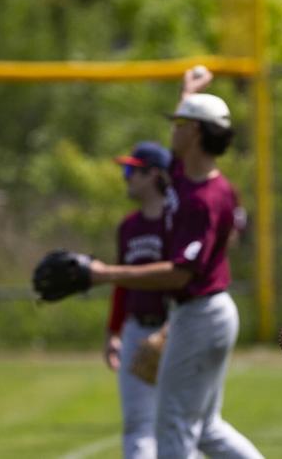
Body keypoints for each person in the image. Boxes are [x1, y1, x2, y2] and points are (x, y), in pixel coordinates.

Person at [89, 66, 262, 459]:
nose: (173, 129)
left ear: (196, 132)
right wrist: (188, 93)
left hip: (201, 313)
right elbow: (177, 154)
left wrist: (103, 274)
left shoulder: (205, 198)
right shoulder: (185, 176)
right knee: (204, 428)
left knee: (173, 426)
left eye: (179, 124)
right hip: (197, 312)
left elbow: (180, 272)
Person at [102, 141, 174, 459]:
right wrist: (113, 333)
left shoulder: (175, 222)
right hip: (135, 330)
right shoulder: (128, 227)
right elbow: (121, 282)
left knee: (182, 425)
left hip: (176, 332)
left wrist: (174, 328)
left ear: (154, 174)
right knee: (137, 427)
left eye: (132, 170)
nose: (125, 176)